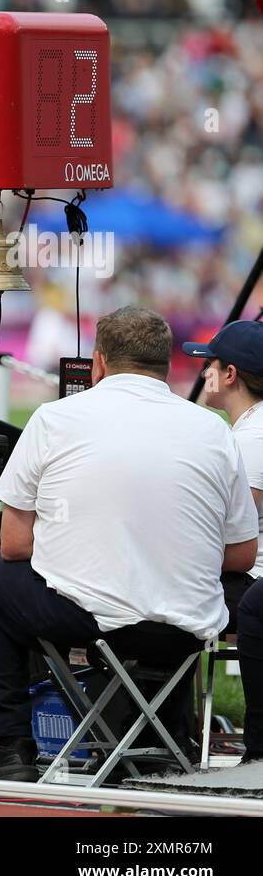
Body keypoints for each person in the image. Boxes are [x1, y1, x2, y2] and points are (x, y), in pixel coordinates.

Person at [0, 306, 258, 780]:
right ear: (167, 366)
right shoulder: (213, 430)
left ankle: (8, 747)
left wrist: (80, 546)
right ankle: (158, 739)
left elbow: (14, 545)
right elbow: (242, 555)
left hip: (89, 618)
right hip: (185, 624)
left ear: (98, 362)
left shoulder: (54, 418)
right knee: (166, 578)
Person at [183, 319, 263, 763]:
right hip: (244, 576)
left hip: (249, 580)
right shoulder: (248, 430)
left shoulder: (252, 438)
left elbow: (234, 534)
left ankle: (158, 738)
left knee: (156, 594)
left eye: (209, 364)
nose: (203, 372)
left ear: (231, 374)